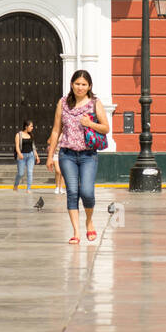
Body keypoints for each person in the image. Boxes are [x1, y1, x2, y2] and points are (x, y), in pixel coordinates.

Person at [46, 70, 110, 244]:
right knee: (72, 192)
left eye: (83, 84)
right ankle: (76, 232)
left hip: (88, 155)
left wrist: (90, 124)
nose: (80, 87)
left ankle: (89, 222)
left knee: (87, 192)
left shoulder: (95, 103)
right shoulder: (63, 103)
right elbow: (56, 129)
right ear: (71, 84)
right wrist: (50, 156)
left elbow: (106, 128)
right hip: (67, 154)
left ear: (89, 86)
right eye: (77, 83)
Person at [13, 119, 39, 192]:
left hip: (31, 156)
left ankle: (28, 189)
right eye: (31, 126)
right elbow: (17, 146)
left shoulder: (31, 135)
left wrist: (37, 156)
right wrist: (19, 153)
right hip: (22, 156)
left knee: (30, 172)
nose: (32, 128)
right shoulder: (19, 135)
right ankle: (16, 185)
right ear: (26, 126)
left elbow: (33, 146)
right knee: (21, 173)